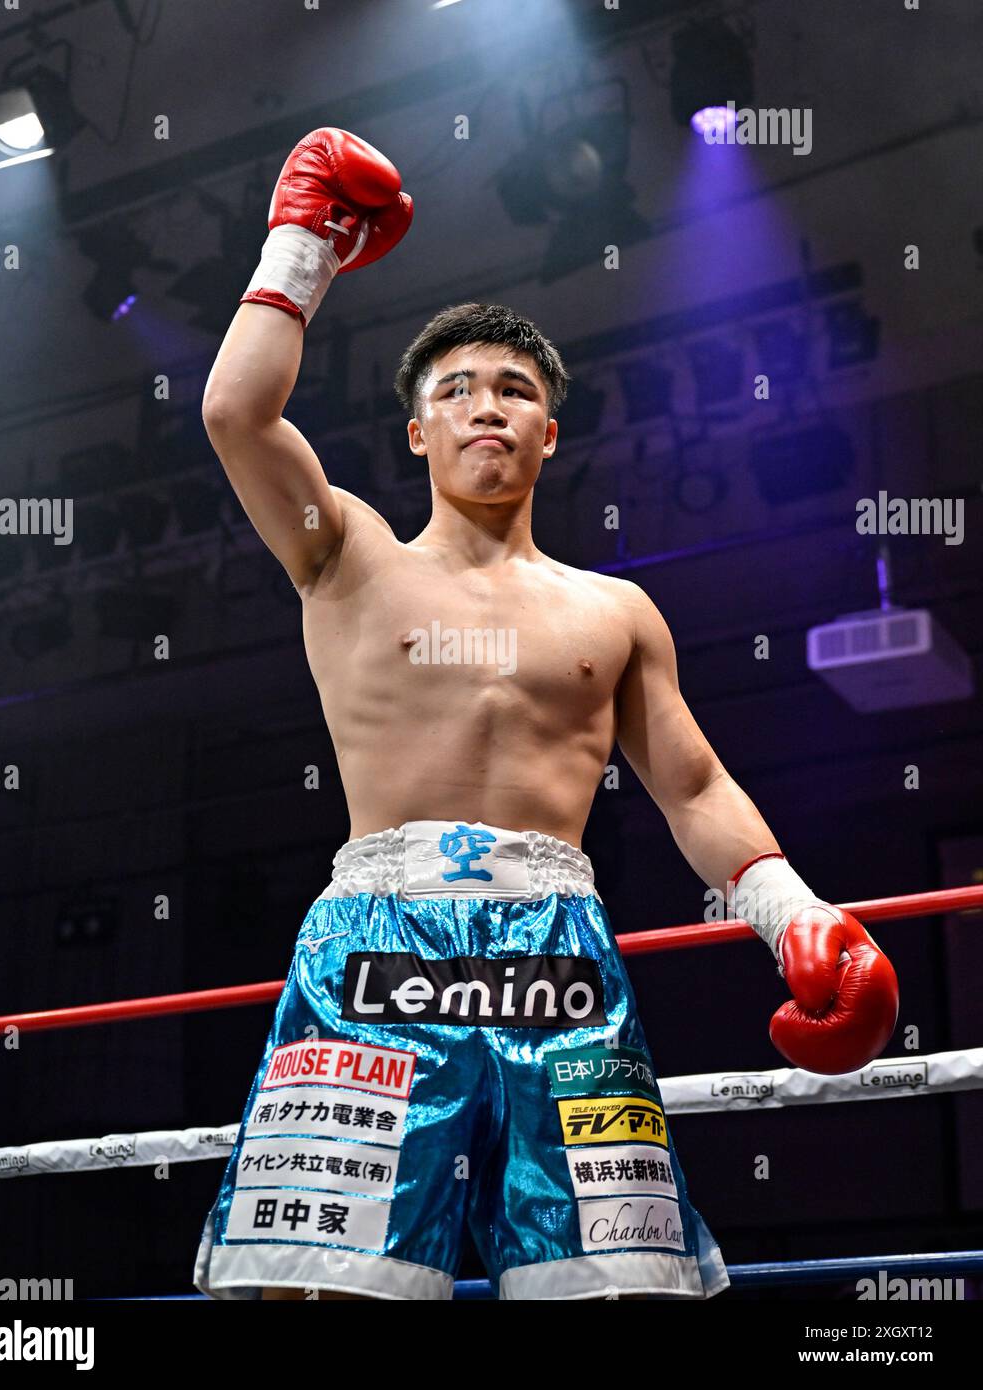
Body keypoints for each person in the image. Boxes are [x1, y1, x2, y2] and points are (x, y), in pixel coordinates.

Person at [193, 128, 899, 1302]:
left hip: (556, 957)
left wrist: (796, 919)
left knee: (611, 1286)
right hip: (378, 947)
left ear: (547, 432)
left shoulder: (614, 610)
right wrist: (302, 245)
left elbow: (690, 787)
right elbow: (234, 414)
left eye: (513, 391)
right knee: (319, 1288)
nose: (486, 408)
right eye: (454, 392)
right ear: (416, 433)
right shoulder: (346, 559)